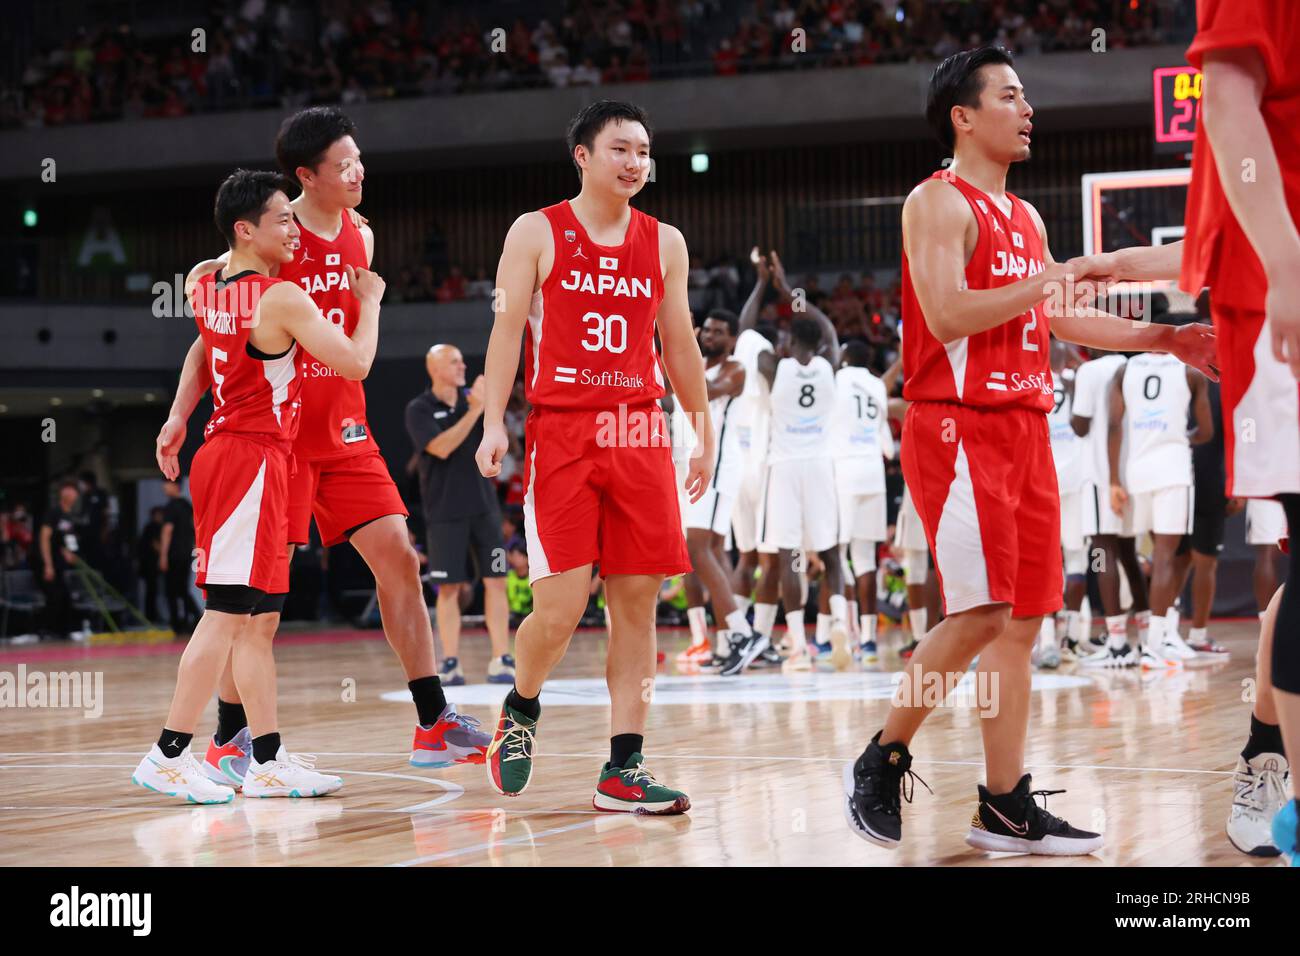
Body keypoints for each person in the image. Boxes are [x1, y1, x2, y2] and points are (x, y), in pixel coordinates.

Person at [842, 46, 1217, 855]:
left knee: (1020, 627)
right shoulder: (936, 202)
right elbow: (945, 315)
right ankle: (881, 756)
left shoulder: (1028, 218)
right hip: (956, 426)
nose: (1028, 108)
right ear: (964, 116)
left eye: (1027, 95)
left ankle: (1004, 804)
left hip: (1023, 429)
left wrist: (1166, 338)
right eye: (1011, 96)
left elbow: (1057, 320)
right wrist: (1050, 284)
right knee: (977, 615)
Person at [159, 107, 488, 777]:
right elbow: (211, 333)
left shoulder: (362, 237)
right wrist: (179, 412)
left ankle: (431, 719)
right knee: (255, 610)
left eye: (358, 158)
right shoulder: (267, 239)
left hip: (344, 428)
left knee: (398, 555)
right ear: (306, 176)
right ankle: (230, 737)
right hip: (273, 440)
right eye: (344, 164)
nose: (357, 170)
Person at [1069, 0, 1300, 860]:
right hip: (1277, 307)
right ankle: (1268, 766)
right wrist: (1286, 266)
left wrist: (1126, 263)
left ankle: (1265, 757)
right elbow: (1228, 104)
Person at [476, 100, 713, 813]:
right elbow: (507, 329)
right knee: (560, 610)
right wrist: (494, 422)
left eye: (643, 150)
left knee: (637, 608)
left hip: (640, 430)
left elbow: (679, 344)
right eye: (620, 148)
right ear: (582, 154)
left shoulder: (665, 241)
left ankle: (624, 767)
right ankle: (521, 707)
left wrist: (702, 428)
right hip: (563, 432)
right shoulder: (536, 231)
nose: (635, 161)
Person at [133, 168, 381, 803]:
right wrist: (372, 302)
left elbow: (201, 350)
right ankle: (166, 754)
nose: (294, 227)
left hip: (252, 456)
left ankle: (265, 758)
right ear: (247, 230)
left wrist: (177, 415)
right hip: (248, 458)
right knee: (224, 614)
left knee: (257, 618)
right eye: (282, 219)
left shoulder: (205, 280)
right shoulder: (281, 299)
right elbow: (355, 362)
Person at [756, 251, 850, 672]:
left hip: (785, 468)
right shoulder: (831, 366)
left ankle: (797, 645)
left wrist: (766, 286)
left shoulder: (774, 366)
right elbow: (828, 329)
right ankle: (840, 625)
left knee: (790, 555)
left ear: (790, 342)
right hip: (821, 465)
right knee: (831, 553)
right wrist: (790, 288)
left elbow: (746, 335)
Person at [405, 343, 514, 685]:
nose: (462, 366)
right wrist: (474, 412)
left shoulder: (481, 401)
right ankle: (450, 661)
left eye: (462, 361)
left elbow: (499, 441)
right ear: (434, 369)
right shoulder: (420, 409)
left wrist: (487, 409)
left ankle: (502, 658)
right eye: (453, 362)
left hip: (485, 509)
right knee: (449, 588)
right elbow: (439, 447)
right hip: (445, 513)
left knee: (497, 580)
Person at [1106, 336, 1213, 667]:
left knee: (1146, 553)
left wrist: (1113, 480)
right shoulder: (1191, 371)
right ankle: (1155, 643)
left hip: (1137, 471)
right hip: (1173, 468)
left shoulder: (1125, 368)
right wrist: (1182, 438)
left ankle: (1154, 635)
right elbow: (1206, 431)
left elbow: (1113, 426)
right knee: (1167, 556)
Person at [678, 308, 764, 675]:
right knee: (710, 551)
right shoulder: (696, 364)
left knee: (697, 548)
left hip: (717, 466)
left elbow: (697, 391)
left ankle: (744, 634)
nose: (709, 335)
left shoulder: (734, 370)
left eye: (718, 332)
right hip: (693, 465)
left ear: (732, 339)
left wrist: (679, 351)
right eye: (706, 330)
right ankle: (730, 641)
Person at [1072, 347, 1147, 667]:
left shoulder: (1089, 371)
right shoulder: (1133, 365)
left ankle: (1116, 643)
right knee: (1129, 554)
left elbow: (1080, 425)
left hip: (1102, 476)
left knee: (1102, 553)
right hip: (1131, 473)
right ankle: (1146, 639)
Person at [831, 339, 895, 663]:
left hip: (843, 472)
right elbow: (889, 449)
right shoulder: (876, 385)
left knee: (838, 554)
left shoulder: (836, 380)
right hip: (873, 473)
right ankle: (868, 640)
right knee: (866, 558)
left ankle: (844, 625)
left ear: (844, 357)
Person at [37, 479, 84, 639]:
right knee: (54, 597)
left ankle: (62, 632)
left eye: (73, 490)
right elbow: (44, 538)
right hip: (48, 562)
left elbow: (66, 540)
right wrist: (47, 564)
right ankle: (46, 631)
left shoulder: (69, 516)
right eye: (66, 489)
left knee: (65, 596)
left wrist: (70, 553)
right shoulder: (53, 512)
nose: (69, 493)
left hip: (60, 563)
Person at [159, 480, 200, 633]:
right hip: (186, 552)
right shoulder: (187, 505)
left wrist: (163, 555)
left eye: (166, 485)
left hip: (174, 553)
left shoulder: (171, 506)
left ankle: (177, 623)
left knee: (171, 591)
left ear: (175, 486)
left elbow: (167, 531)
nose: (164, 487)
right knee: (182, 589)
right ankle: (195, 616)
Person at [137, 506, 165, 624]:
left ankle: (152, 615)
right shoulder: (152, 528)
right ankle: (150, 616)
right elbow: (155, 544)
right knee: (151, 591)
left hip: (151, 564)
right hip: (150, 564)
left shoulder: (152, 527)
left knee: (153, 591)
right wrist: (165, 555)